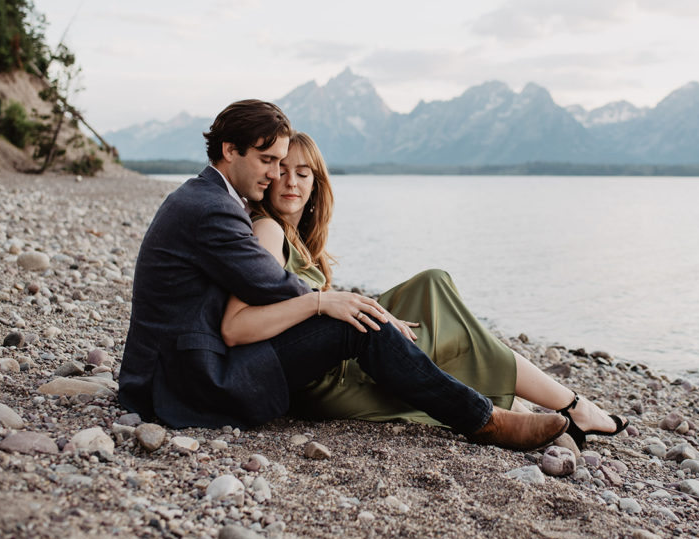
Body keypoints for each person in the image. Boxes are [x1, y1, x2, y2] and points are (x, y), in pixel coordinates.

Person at [118, 99, 568, 451]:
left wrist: (338, 300)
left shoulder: (209, 200)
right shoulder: (212, 209)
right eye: (268, 161)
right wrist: (331, 300)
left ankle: (493, 402)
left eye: (286, 164)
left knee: (360, 314)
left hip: (185, 367)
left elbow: (267, 288)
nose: (277, 175)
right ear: (229, 150)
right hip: (186, 384)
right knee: (357, 326)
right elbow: (270, 285)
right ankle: (484, 420)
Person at [221, 131, 628, 449]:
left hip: (338, 353)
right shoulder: (269, 230)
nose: (291, 182)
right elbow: (245, 326)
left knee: (432, 284)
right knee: (441, 332)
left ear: (316, 185)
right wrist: (326, 303)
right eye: (282, 171)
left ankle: (541, 404)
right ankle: (569, 407)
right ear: (268, 177)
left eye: (303, 173)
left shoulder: (297, 239)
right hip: (327, 380)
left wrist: (360, 311)